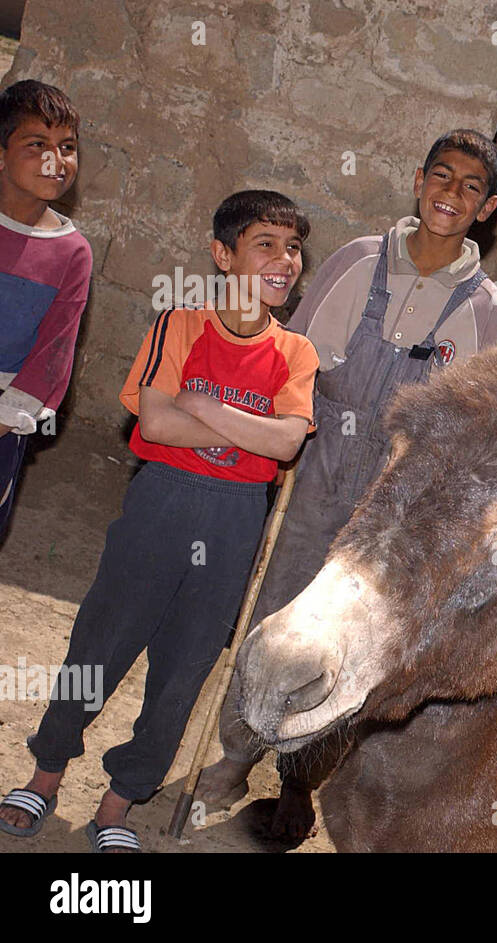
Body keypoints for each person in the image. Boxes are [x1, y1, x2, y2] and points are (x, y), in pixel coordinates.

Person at [195, 129, 497, 840]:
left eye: (467, 187)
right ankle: (233, 756)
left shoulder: (484, 306)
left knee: (347, 639)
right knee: (276, 612)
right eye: (441, 176)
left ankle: (299, 778)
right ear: (419, 179)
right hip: (321, 466)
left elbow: (463, 416)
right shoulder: (358, 261)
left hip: (393, 496)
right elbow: (288, 354)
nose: (449, 195)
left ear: (485, 208)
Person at [0, 190, 317, 851]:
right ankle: (46, 771)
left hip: (235, 523)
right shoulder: (180, 325)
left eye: (293, 248)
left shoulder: (296, 353)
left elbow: (286, 443)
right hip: (162, 504)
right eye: (266, 244)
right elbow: (156, 419)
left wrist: (204, 404)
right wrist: (237, 426)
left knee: (186, 667)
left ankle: (117, 804)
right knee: (102, 640)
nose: (284, 260)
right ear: (223, 255)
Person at [0, 80, 91, 543]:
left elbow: (53, 355)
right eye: (37, 144)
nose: (56, 160)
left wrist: (5, 418)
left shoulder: (71, 253)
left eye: (68, 147)